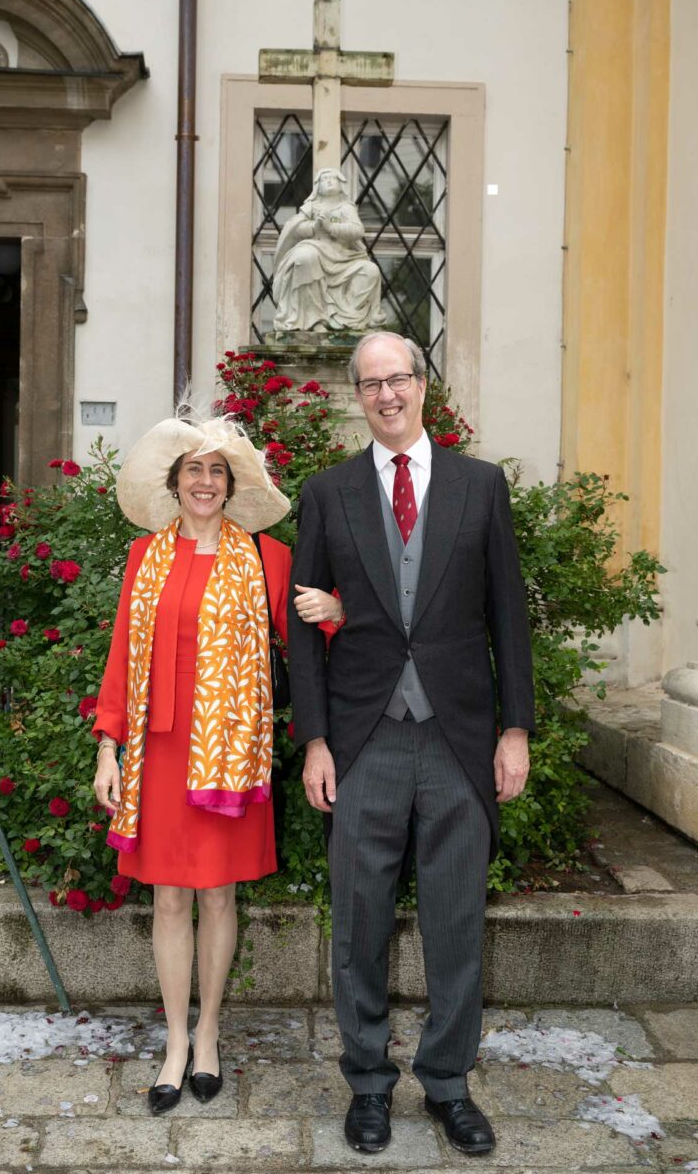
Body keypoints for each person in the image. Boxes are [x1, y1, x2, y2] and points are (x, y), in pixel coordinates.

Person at [288, 332, 535, 1157]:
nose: (385, 395)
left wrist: (515, 729)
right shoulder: (327, 494)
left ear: (423, 386)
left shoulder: (479, 486)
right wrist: (316, 741)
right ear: (355, 396)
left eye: (397, 379)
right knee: (358, 922)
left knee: (457, 919)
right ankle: (366, 1083)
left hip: (459, 739)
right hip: (364, 740)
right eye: (369, 384)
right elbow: (304, 629)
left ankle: (448, 1084)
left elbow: (509, 620)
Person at [92, 406, 338, 1115]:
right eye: (193, 470)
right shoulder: (145, 558)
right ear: (175, 483)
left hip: (229, 754)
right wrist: (108, 746)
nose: (205, 482)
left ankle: (208, 1036)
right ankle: (173, 1042)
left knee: (218, 895)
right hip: (158, 753)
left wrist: (336, 611)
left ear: (232, 485)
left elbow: (315, 646)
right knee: (168, 898)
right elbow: (121, 659)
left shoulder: (268, 558)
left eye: (217, 471)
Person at [272, 167, 386, 333]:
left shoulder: (346, 207)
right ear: (318, 186)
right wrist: (314, 226)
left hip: (344, 257)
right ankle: (313, 319)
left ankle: (349, 320)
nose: (329, 181)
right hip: (317, 248)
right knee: (304, 257)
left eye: (334, 179)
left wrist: (332, 227)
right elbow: (296, 228)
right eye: (325, 180)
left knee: (370, 270)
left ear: (341, 185)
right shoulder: (311, 206)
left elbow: (357, 230)